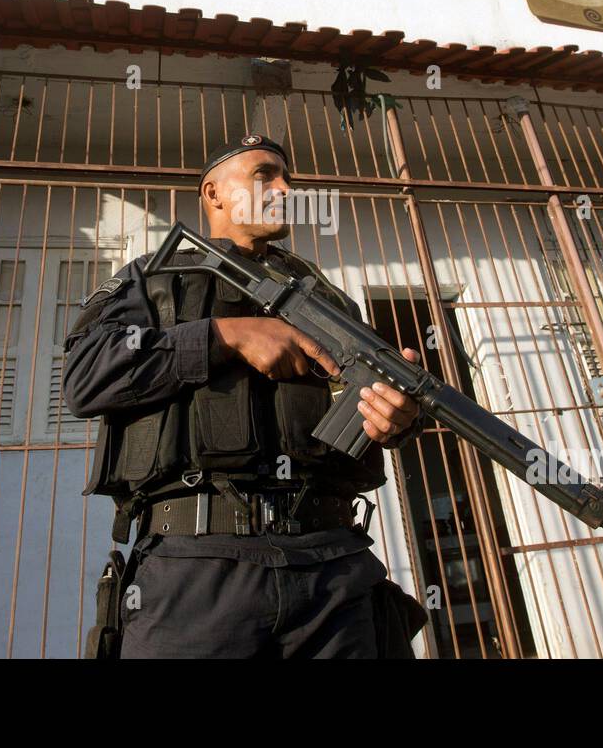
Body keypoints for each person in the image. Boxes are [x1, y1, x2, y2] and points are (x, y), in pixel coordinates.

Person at [64, 134, 428, 658]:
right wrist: (224, 337)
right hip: (196, 569)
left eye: (287, 179)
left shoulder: (326, 297)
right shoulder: (153, 280)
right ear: (212, 193)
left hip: (334, 567)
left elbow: (371, 405)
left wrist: (395, 415)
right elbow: (84, 377)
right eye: (264, 176)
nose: (284, 189)